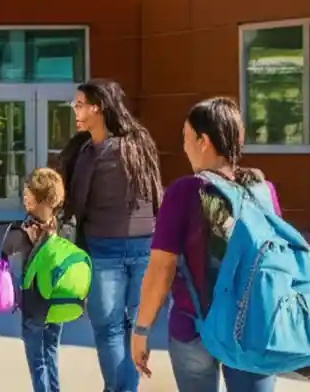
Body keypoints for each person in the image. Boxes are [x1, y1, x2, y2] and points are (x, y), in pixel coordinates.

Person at [131, 97, 281, 392]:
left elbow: (161, 269)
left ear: (204, 141)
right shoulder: (263, 191)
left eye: (186, 138)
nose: (184, 146)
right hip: (252, 326)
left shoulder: (184, 192)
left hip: (194, 327)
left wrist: (141, 329)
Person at [59, 79, 162, 392]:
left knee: (108, 328)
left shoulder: (92, 151)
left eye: (79, 105)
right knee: (130, 326)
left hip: (107, 249)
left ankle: (119, 388)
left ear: (98, 107)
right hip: (145, 246)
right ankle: (122, 388)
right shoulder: (140, 144)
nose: (74, 110)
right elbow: (156, 195)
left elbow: (76, 203)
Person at [0, 168, 66, 392]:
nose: (24, 196)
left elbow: (6, 250)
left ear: (38, 199)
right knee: (51, 353)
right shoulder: (63, 227)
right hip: (57, 302)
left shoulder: (24, 229)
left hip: (34, 304)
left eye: (28, 193)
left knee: (38, 362)